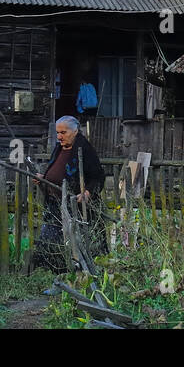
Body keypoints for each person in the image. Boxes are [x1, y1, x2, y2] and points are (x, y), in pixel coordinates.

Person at [31, 116, 106, 271]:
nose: (59, 137)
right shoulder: (59, 148)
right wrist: (44, 178)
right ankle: (54, 274)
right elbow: (56, 171)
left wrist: (87, 193)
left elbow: (98, 177)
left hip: (76, 209)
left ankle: (73, 274)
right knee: (50, 242)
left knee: (75, 245)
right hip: (55, 205)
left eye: (63, 132)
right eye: (58, 133)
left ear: (75, 131)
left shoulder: (83, 149)